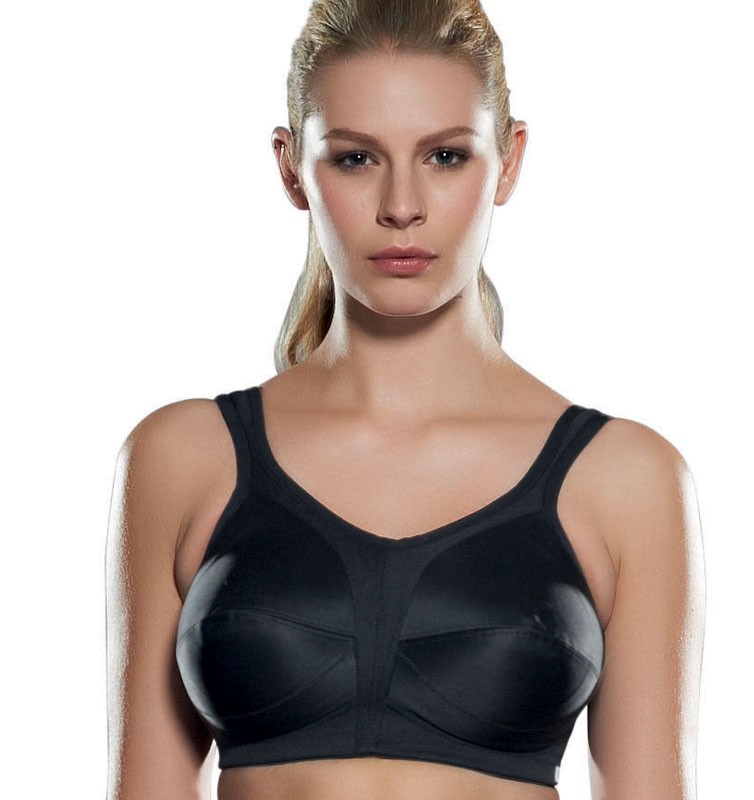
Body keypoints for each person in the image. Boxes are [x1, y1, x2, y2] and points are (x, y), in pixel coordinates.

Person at [105, 1, 705, 798]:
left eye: (446, 156)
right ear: (291, 167)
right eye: (356, 158)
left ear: (510, 160)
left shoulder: (625, 479)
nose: (401, 205)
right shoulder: (183, 458)